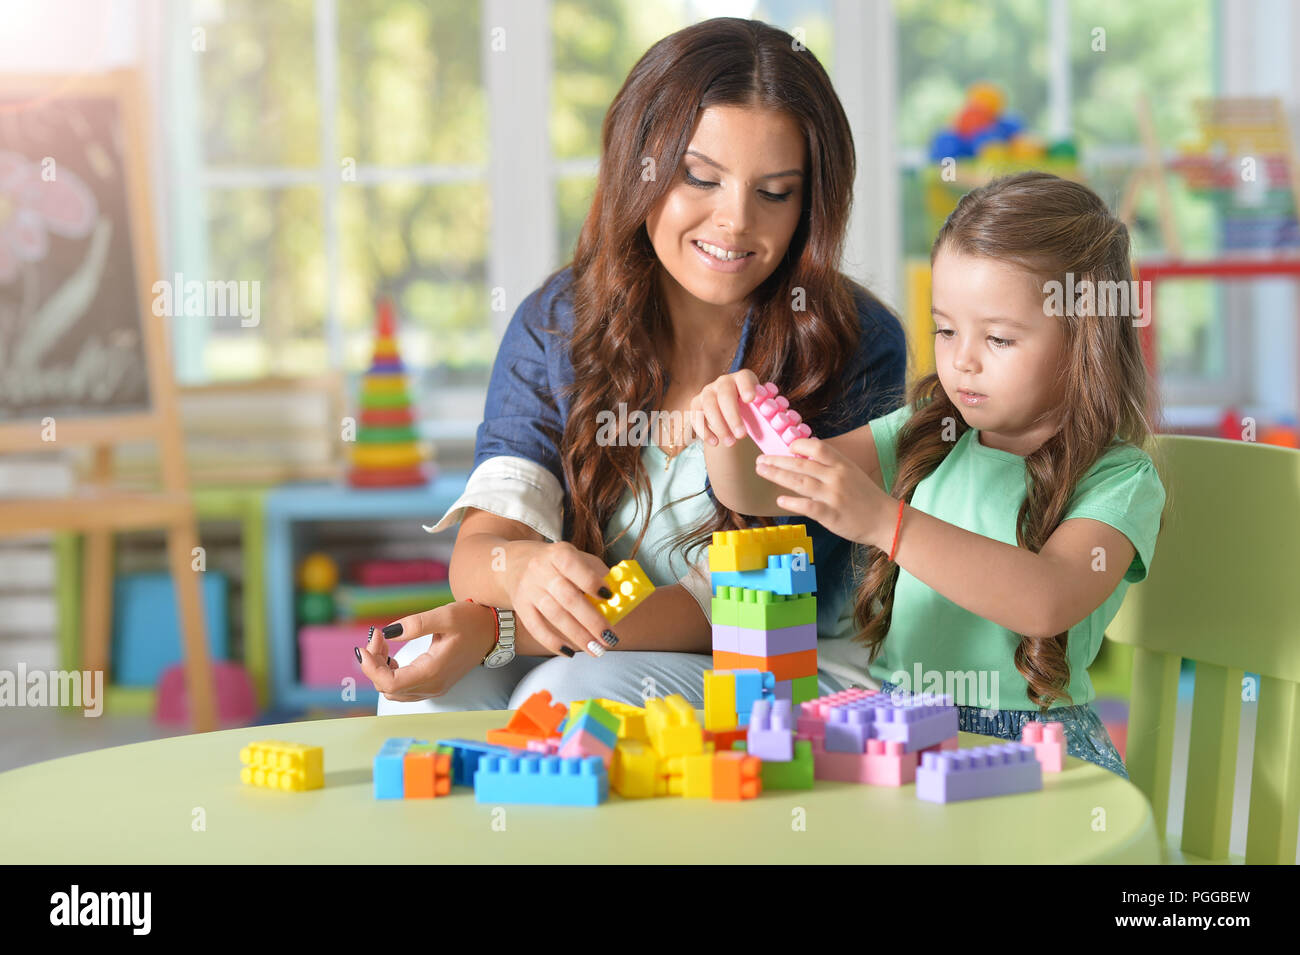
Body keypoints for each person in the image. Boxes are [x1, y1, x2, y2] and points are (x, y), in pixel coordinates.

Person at [357, 17, 906, 714]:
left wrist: (496, 628)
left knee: (567, 694)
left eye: (775, 192)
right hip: (589, 641)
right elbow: (484, 547)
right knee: (419, 689)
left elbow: (746, 606)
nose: (736, 221)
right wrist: (519, 569)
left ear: (810, 202)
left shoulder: (853, 343)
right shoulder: (559, 322)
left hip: (786, 659)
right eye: (700, 177)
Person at [692, 171, 1167, 778]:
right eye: (945, 329)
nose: (961, 358)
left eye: (997, 337)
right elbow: (763, 490)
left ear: (1085, 341)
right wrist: (727, 432)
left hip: (1034, 750)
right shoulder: (928, 430)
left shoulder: (1118, 479)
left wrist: (883, 522)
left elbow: (1047, 601)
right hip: (904, 728)